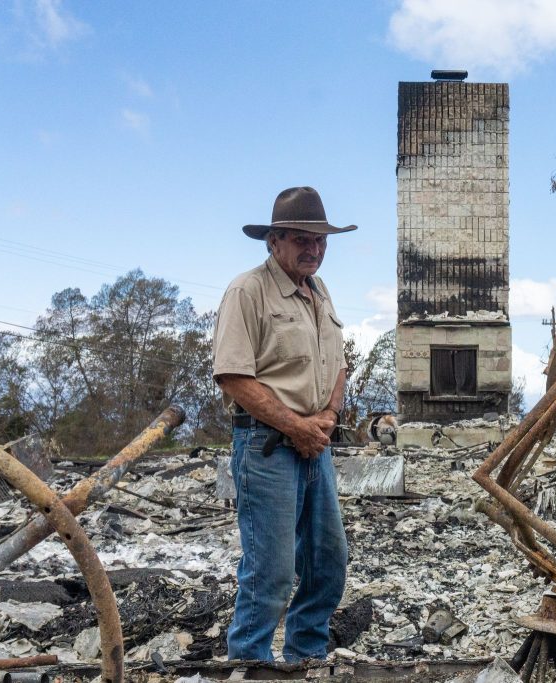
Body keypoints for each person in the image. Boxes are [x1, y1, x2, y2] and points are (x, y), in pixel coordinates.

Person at [212, 186, 355, 661]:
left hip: (317, 444)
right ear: (274, 242)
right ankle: (249, 664)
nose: (313, 249)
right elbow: (233, 376)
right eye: (300, 239)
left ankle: (306, 660)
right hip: (267, 446)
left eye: (320, 241)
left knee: (327, 564)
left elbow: (338, 364)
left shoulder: (321, 292)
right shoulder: (248, 290)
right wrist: (296, 426)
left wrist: (329, 418)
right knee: (270, 572)